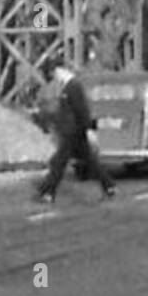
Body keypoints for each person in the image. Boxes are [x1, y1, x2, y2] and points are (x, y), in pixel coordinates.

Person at [35, 56, 115, 204]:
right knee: (90, 161)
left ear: (60, 70)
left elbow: (82, 110)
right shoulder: (68, 86)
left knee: (59, 162)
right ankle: (108, 185)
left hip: (73, 132)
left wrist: (89, 130)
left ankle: (48, 192)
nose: (55, 77)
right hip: (74, 132)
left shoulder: (73, 86)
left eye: (54, 73)